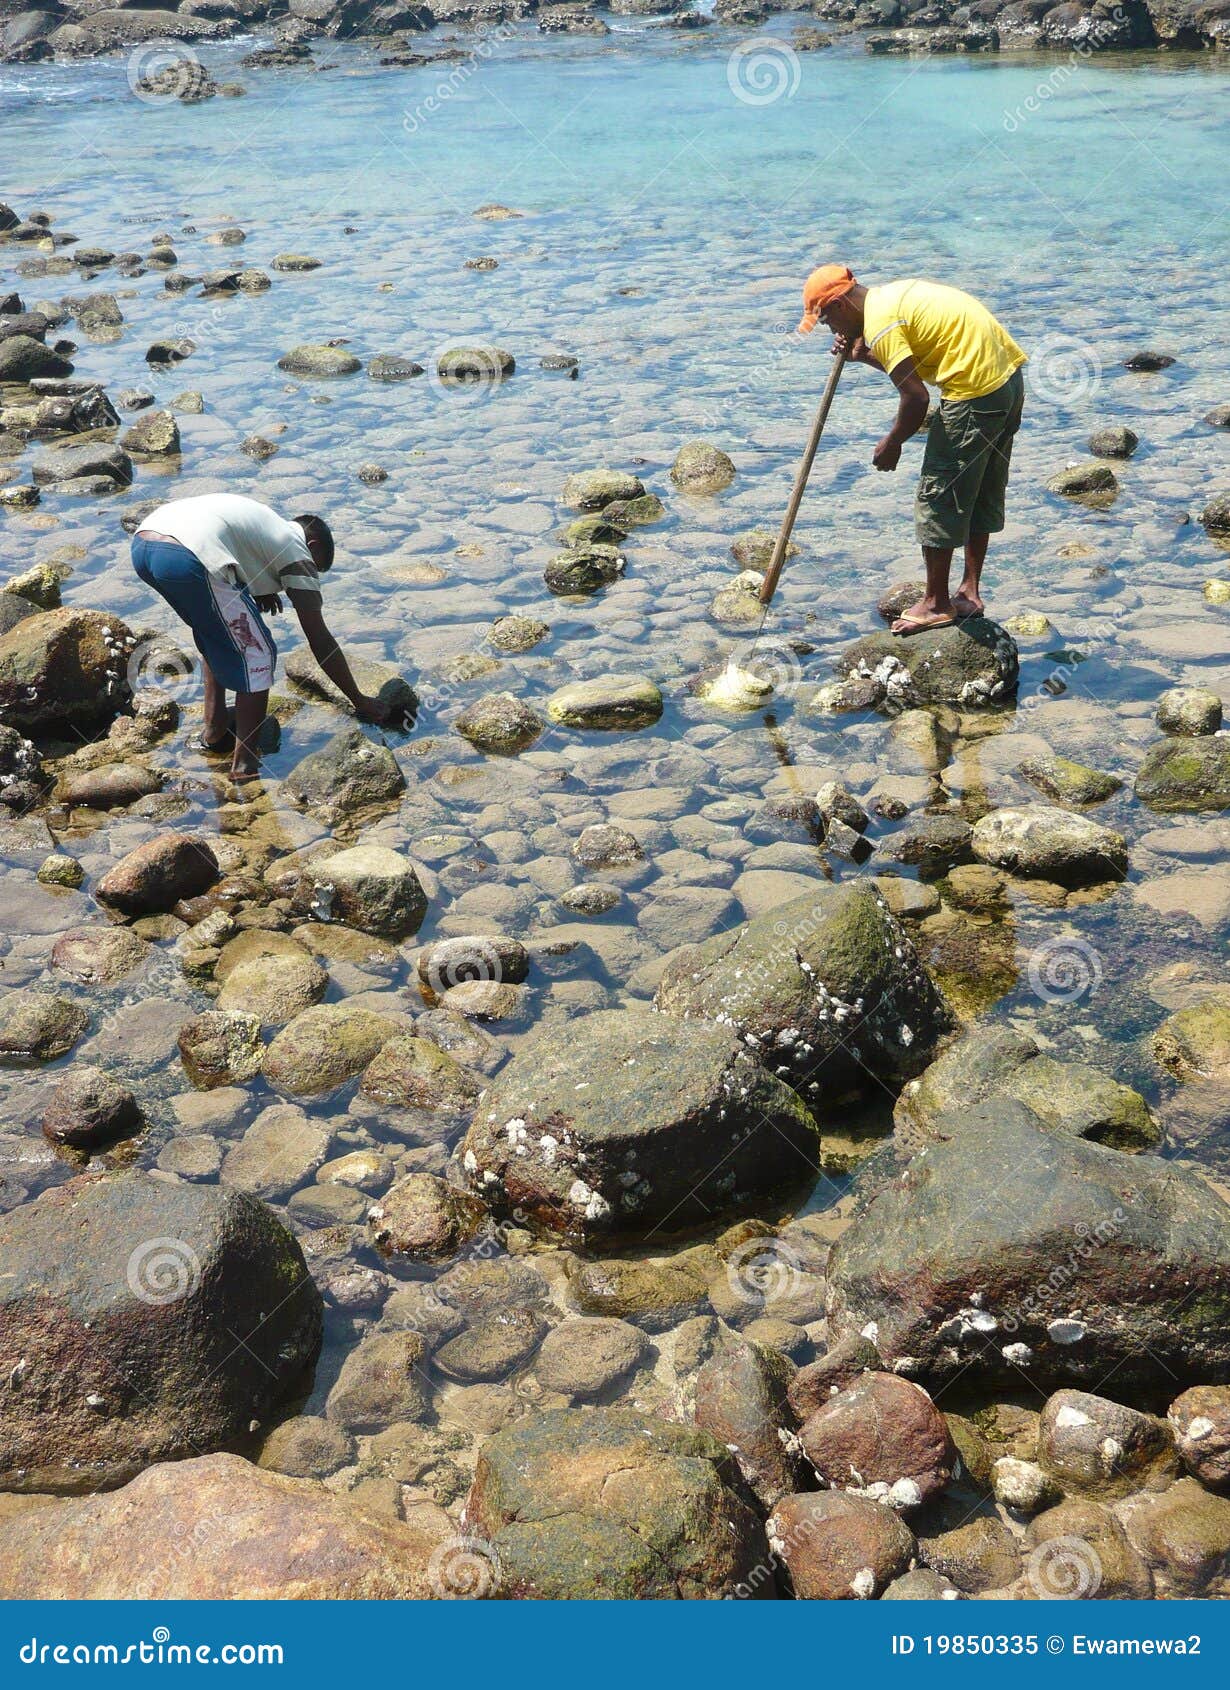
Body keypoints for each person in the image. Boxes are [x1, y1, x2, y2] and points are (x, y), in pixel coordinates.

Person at [797, 264, 1027, 634]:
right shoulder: (891, 299)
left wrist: (892, 443)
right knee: (978, 488)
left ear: (840, 304)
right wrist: (861, 355)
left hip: (974, 394)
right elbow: (914, 368)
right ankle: (968, 592)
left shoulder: (880, 324)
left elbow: (916, 397)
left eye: (826, 321)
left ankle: (936, 603)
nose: (832, 330)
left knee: (938, 494)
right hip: (1007, 383)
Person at [132, 493, 395, 781]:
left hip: (146, 545)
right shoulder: (297, 552)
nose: (309, 575)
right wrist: (359, 700)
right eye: (316, 567)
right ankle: (245, 765)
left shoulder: (269, 523)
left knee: (216, 633)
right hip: (187, 555)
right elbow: (319, 638)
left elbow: (233, 545)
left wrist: (260, 586)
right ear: (312, 546)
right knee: (259, 652)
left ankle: (215, 726)